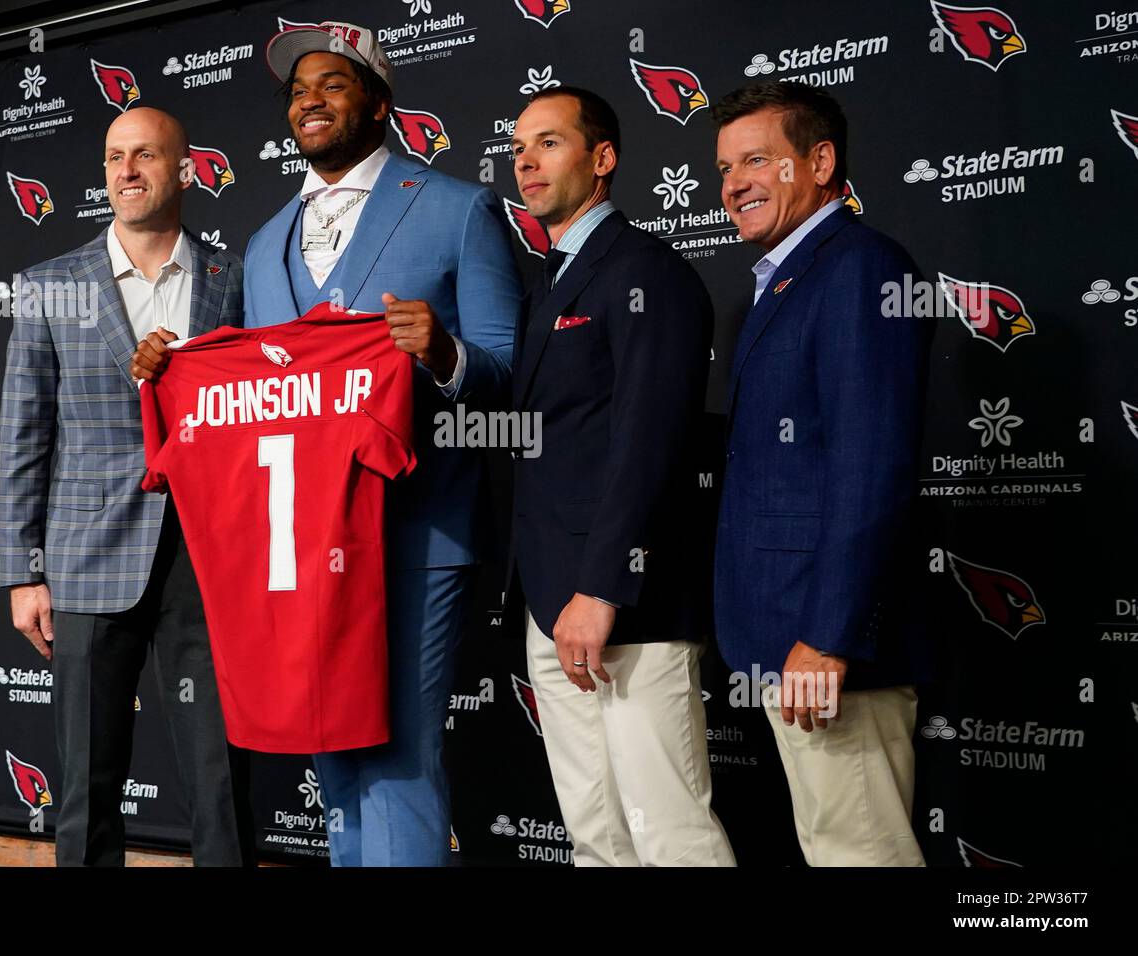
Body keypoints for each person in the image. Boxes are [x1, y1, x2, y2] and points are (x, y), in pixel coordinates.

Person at [131, 22, 520, 867]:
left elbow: (507, 372)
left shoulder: (459, 208)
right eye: (298, 89)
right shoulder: (265, 243)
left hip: (419, 535)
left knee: (398, 755)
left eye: (333, 84)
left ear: (379, 102)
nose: (310, 99)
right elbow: (249, 388)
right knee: (332, 747)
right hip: (307, 548)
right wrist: (171, 368)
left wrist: (445, 354)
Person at [0, 107, 251, 866]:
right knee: (85, 784)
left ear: (186, 168)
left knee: (222, 778)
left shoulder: (234, 279)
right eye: (114, 157)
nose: (127, 170)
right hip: (83, 557)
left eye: (145, 155)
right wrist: (23, 572)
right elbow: (22, 438)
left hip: (208, 560)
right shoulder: (50, 287)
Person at [508, 86, 734, 867]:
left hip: (625, 604)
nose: (526, 162)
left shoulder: (647, 271)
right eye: (519, 148)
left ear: (602, 159)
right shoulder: (544, 282)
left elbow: (652, 442)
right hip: (549, 599)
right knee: (597, 837)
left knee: (669, 832)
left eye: (549, 143)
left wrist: (602, 588)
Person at [711, 82, 934, 866]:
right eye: (726, 167)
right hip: (785, 627)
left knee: (861, 851)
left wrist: (829, 636)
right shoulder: (789, 276)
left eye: (757, 161)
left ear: (820, 161)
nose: (734, 183)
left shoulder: (862, 267)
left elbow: (872, 465)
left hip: (826, 639)